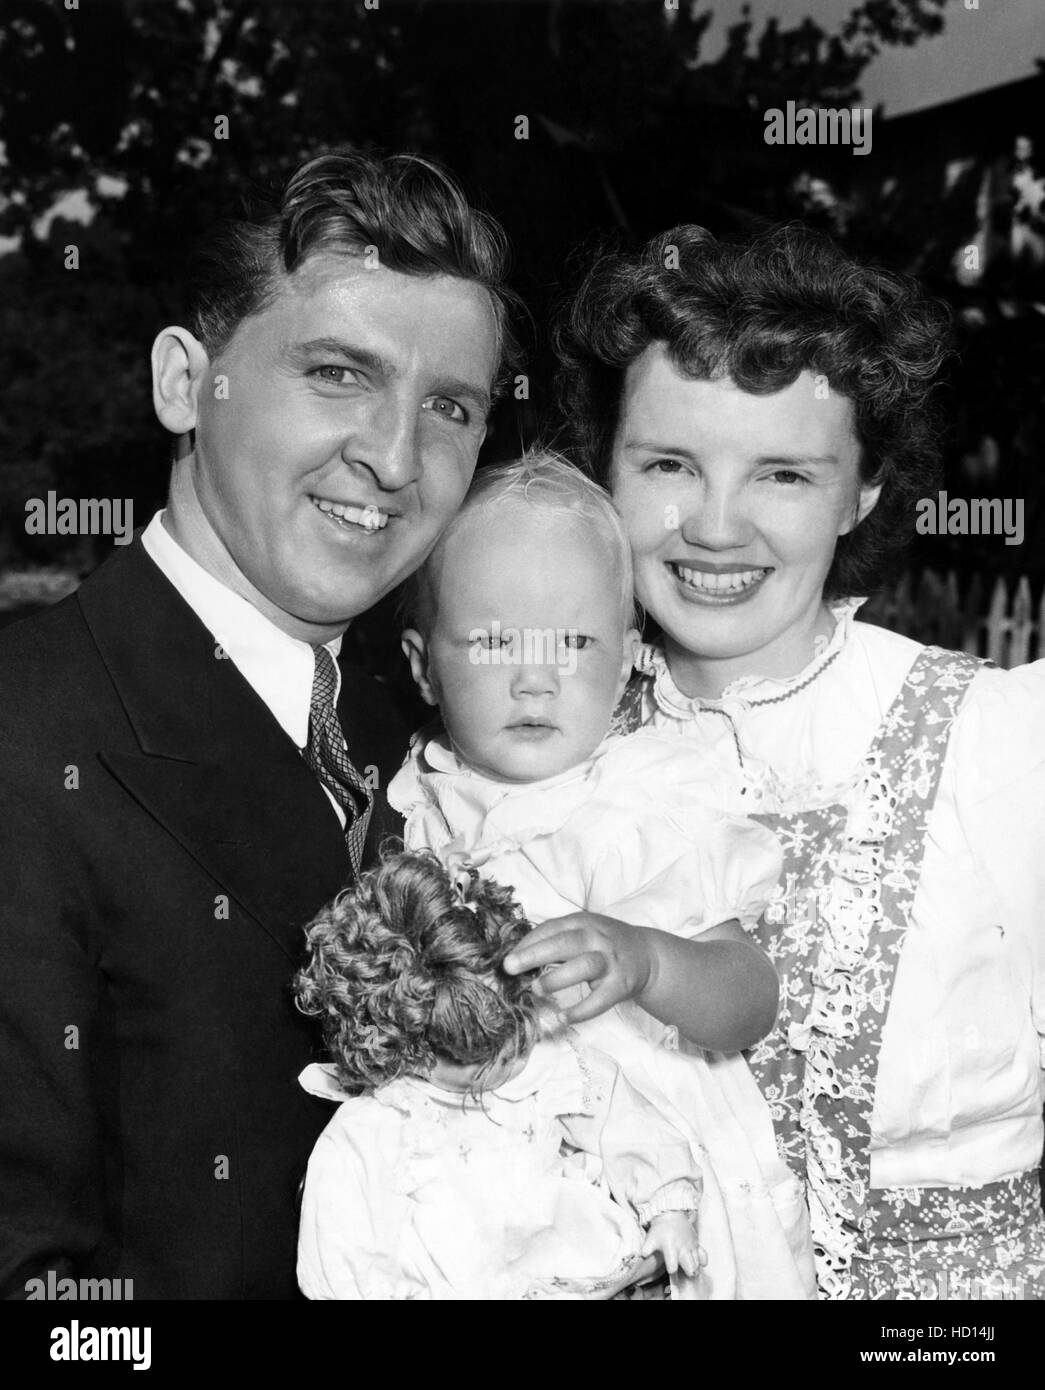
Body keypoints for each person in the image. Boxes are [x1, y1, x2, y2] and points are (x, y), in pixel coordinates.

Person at [0, 149, 516, 1299]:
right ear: (187, 382)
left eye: (449, 407)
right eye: (338, 373)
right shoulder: (25, 731)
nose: (393, 458)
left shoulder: (437, 731)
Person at [551, 221, 1045, 1300]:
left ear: (861, 490)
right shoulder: (544, 752)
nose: (715, 526)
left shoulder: (995, 742)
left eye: (782, 472)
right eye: (670, 464)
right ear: (606, 472)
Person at [385, 452, 818, 1299]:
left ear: (624, 660)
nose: (535, 675)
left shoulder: (635, 805)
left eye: (574, 642)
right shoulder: (423, 807)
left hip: (662, 1168)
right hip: (501, 1162)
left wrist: (648, 962)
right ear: (421, 663)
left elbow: (747, 1002)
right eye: (493, 640)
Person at [294, 848, 707, 1301]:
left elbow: (622, 1119)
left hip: (592, 1273)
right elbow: (347, 1253)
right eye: (478, 1053)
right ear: (403, 1050)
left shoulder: (541, 1063)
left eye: (514, 1027)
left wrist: (668, 1211)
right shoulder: (373, 1133)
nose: (511, 1056)